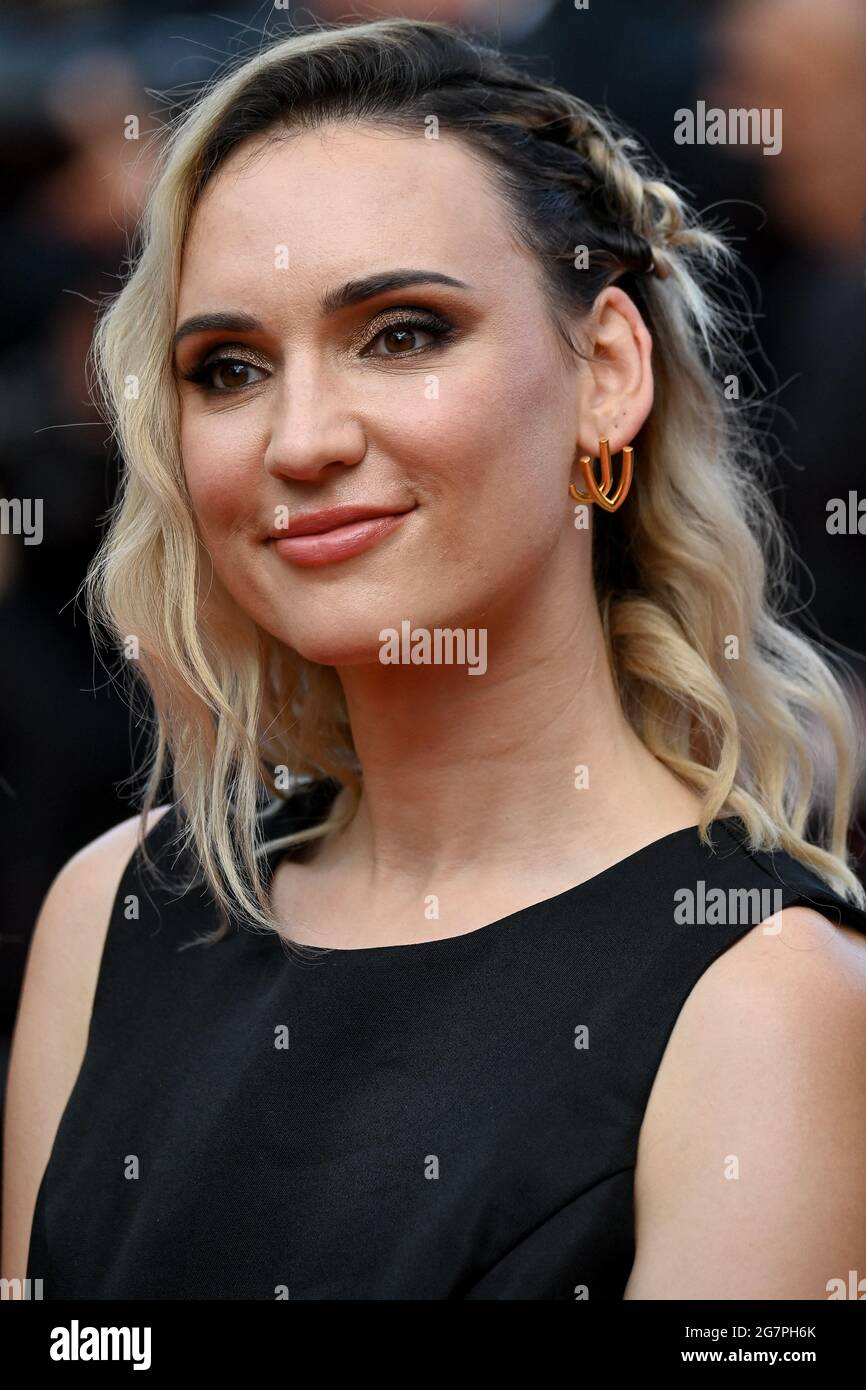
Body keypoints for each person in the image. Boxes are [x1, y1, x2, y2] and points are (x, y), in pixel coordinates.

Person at [4, 17, 866, 1301]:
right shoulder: (114, 911)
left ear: (607, 371)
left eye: (401, 332)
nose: (300, 439)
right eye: (227, 367)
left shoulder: (769, 1001)